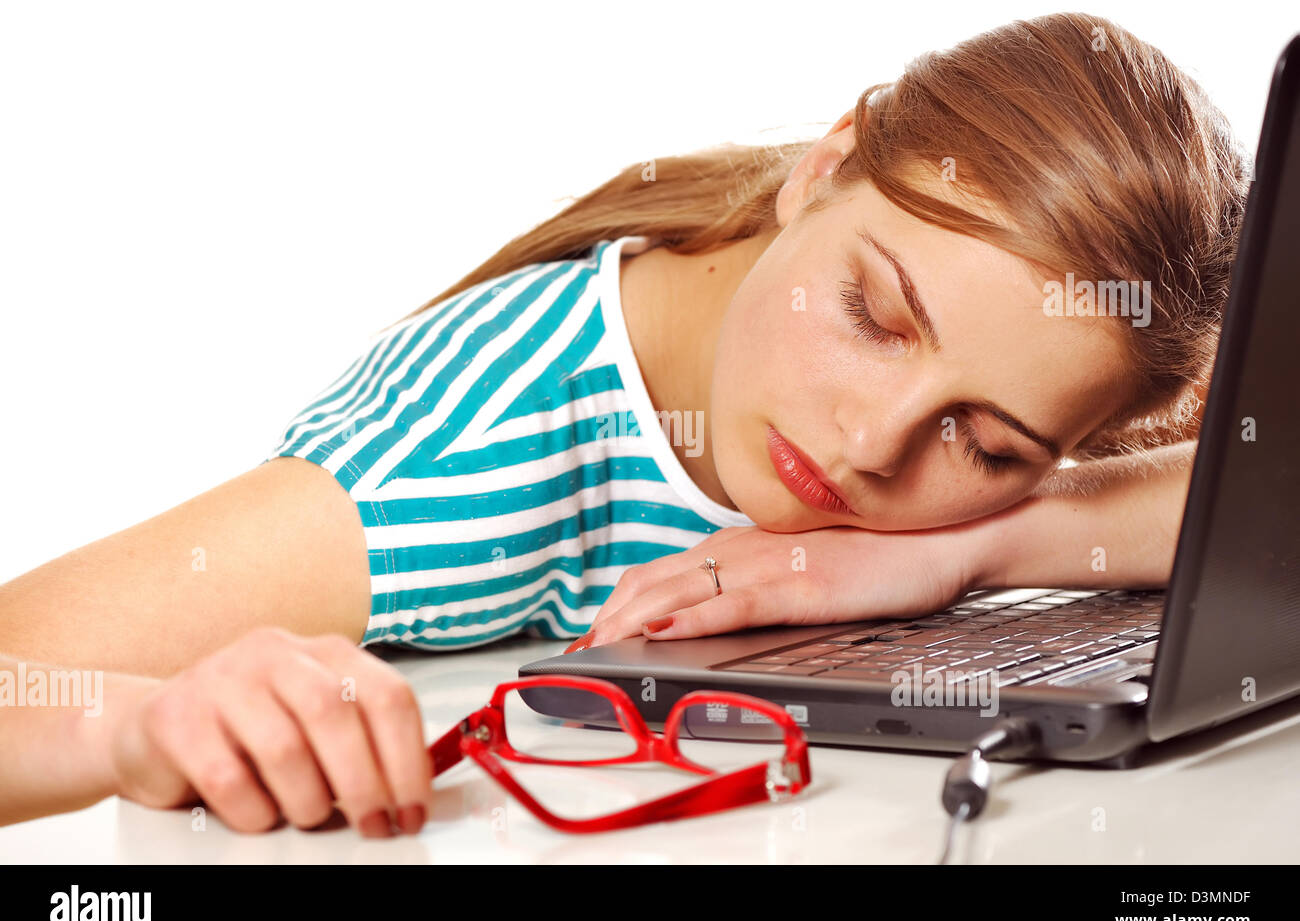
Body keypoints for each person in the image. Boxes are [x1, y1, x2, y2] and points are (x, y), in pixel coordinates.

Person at [0, 12, 1249, 836]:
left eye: (986, 445)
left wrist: (975, 544)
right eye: (873, 314)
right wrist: (131, 723)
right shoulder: (465, 466)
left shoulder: (1061, 359)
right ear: (823, 168)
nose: (873, 444)